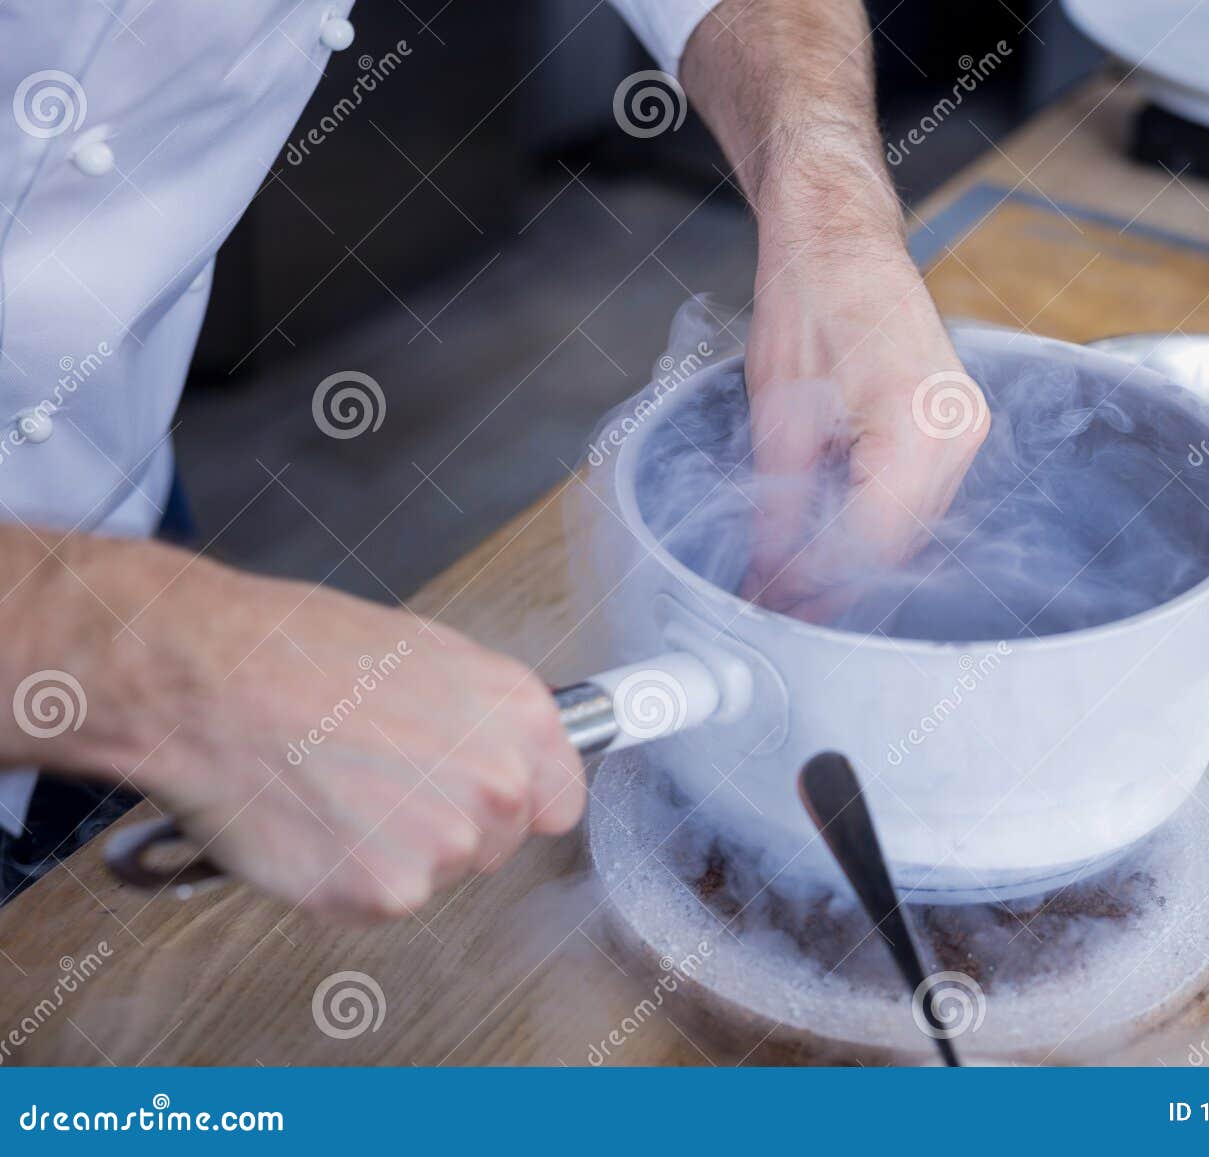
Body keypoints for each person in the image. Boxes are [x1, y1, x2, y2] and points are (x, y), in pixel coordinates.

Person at [0, 1, 987, 919]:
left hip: (109, 486)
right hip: (98, 623)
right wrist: (156, 662)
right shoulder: (170, 659)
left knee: (90, 969)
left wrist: (830, 206)